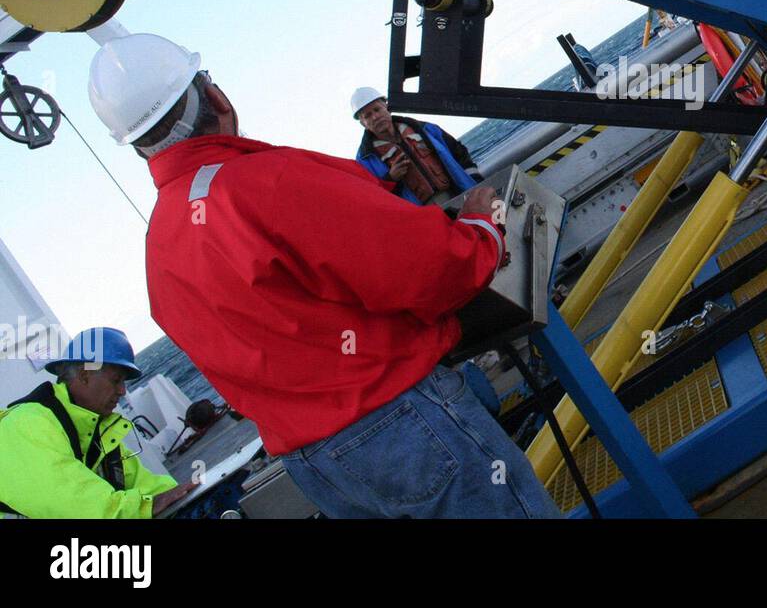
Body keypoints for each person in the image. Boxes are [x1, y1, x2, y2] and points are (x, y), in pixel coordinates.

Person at [87, 33, 559, 519]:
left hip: (318, 468)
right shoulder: (264, 181)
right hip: (405, 427)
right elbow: (433, 269)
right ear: (215, 97)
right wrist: (481, 227)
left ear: (140, 148)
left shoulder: (160, 244)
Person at [0, 327, 195, 518]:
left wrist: (187, 497)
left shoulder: (99, 433)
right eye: (116, 380)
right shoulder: (29, 424)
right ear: (85, 375)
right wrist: (146, 506)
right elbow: (76, 506)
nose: (122, 391)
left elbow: (150, 487)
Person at [350, 87, 482, 206]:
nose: (375, 117)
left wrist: (476, 180)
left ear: (386, 106)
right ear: (363, 123)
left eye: (377, 109)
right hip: (424, 216)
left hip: (458, 194)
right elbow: (373, 198)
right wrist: (390, 179)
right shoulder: (364, 160)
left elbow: (458, 151)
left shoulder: (425, 129)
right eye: (368, 115)